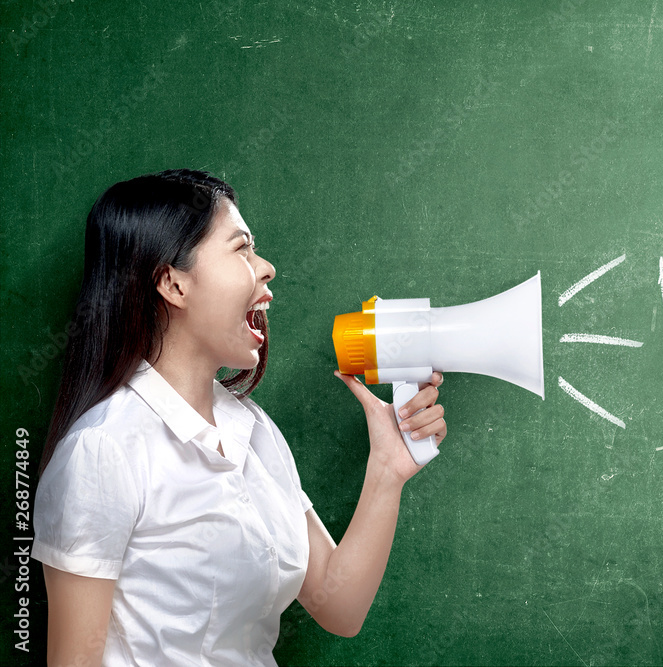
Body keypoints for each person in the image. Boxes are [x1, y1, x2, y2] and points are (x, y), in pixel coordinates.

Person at [31, 169, 447, 666]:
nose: (266, 268)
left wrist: (387, 470)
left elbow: (340, 608)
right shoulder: (104, 451)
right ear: (173, 283)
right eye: (242, 249)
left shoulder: (253, 430)